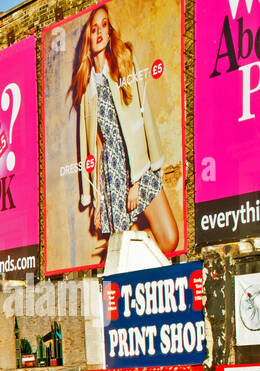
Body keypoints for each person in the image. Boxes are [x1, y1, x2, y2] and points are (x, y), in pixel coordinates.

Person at [70, 4, 179, 256]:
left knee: (169, 239)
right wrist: (97, 201)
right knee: (125, 252)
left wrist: (137, 179)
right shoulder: (87, 89)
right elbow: (95, 146)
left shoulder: (124, 61)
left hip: (137, 164)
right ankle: (127, 250)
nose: (99, 32)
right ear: (88, 38)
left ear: (110, 32)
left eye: (104, 25)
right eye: (93, 28)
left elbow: (141, 116)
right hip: (111, 172)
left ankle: (130, 240)